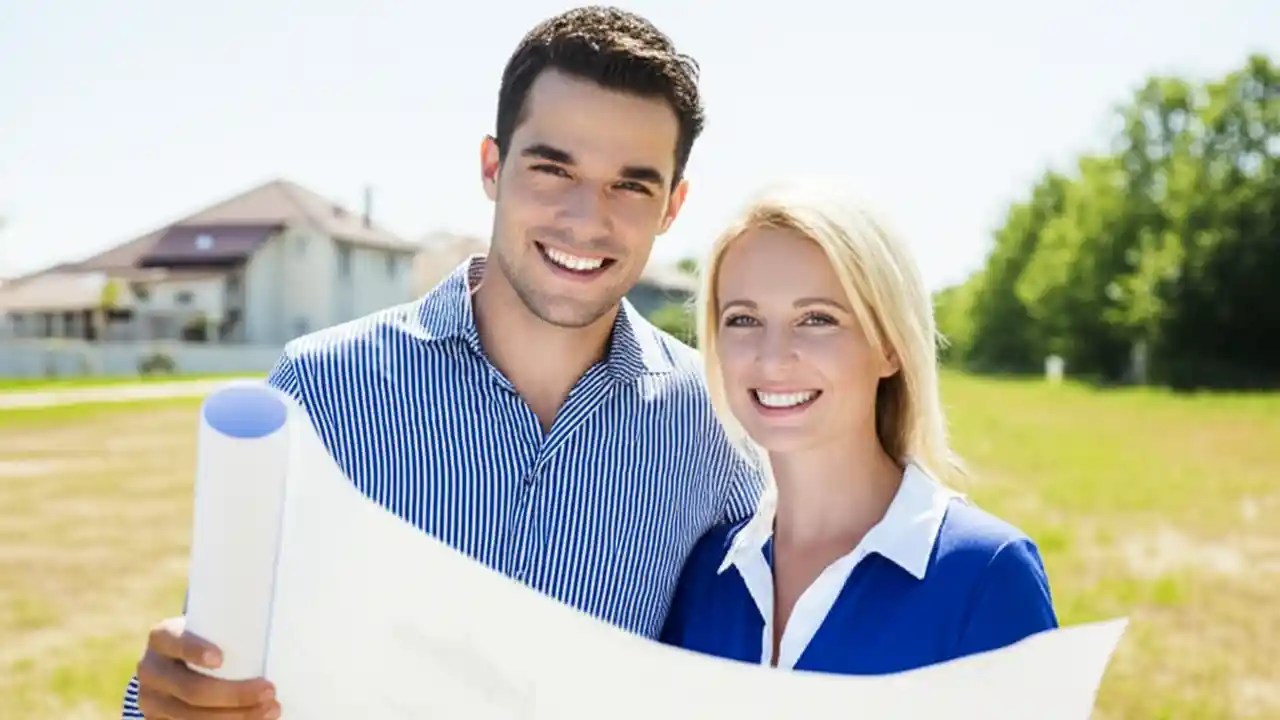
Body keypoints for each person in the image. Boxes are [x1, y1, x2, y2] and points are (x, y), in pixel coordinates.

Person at [122, 7, 763, 719]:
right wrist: (171, 696)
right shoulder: (325, 389)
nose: (586, 219)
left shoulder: (719, 432)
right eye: (553, 169)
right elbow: (213, 663)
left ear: (672, 206)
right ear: (493, 167)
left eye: (631, 185)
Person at [659, 180, 1058, 674]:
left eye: (817, 319)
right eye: (743, 319)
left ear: (890, 345)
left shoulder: (987, 575)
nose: (773, 356)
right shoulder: (706, 573)